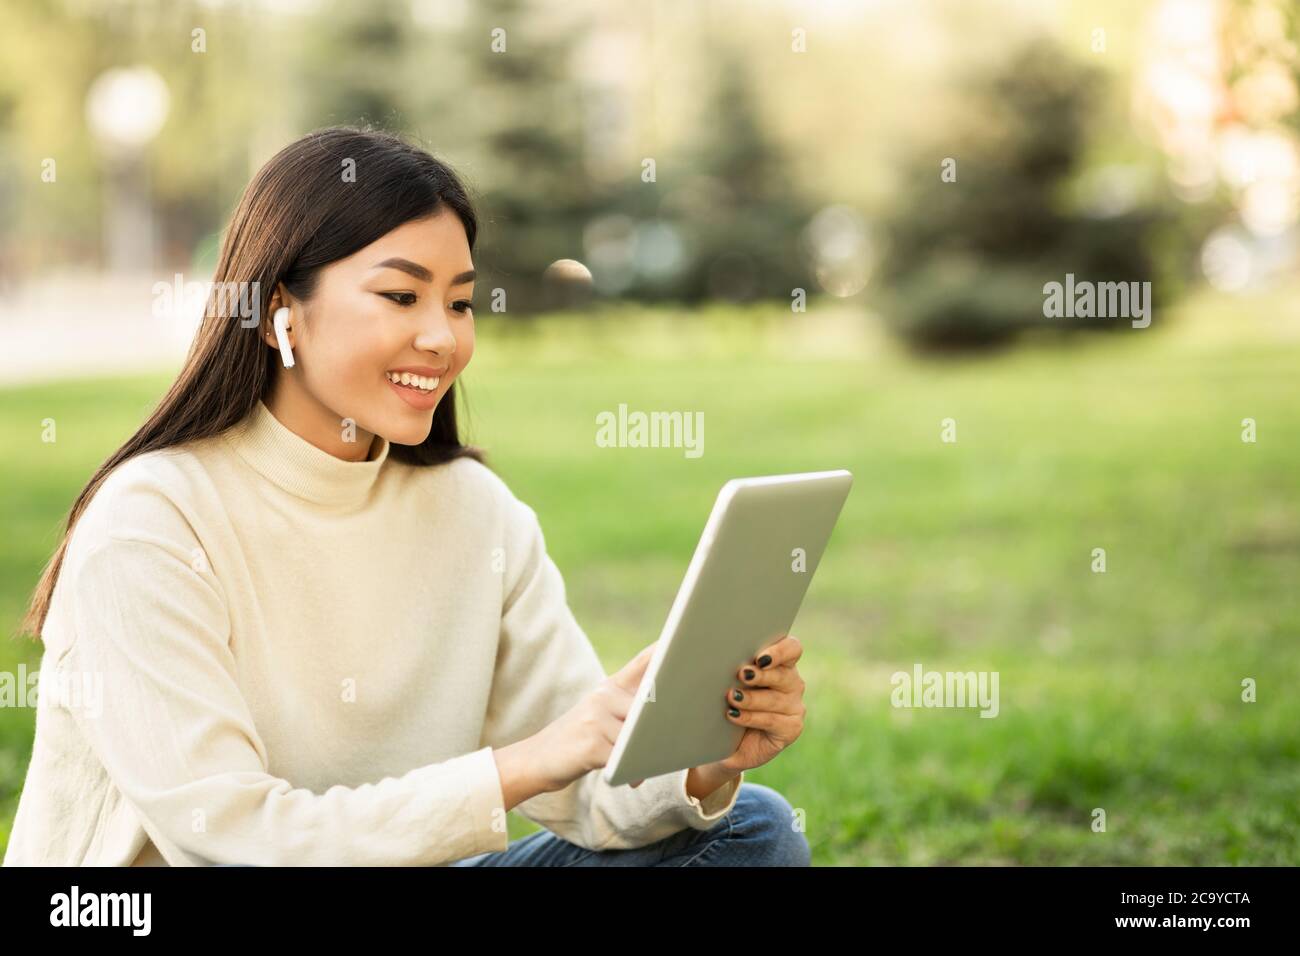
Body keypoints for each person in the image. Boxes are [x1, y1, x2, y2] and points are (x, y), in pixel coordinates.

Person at [3, 127, 811, 867]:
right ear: (278, 312)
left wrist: (704, 760)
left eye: (459, 302)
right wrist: (517, 767)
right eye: (401, 296)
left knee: (748, 831)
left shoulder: (474, 512)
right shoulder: (150, 521)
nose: (443, 336)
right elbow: (235, 839)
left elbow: (589, 791)